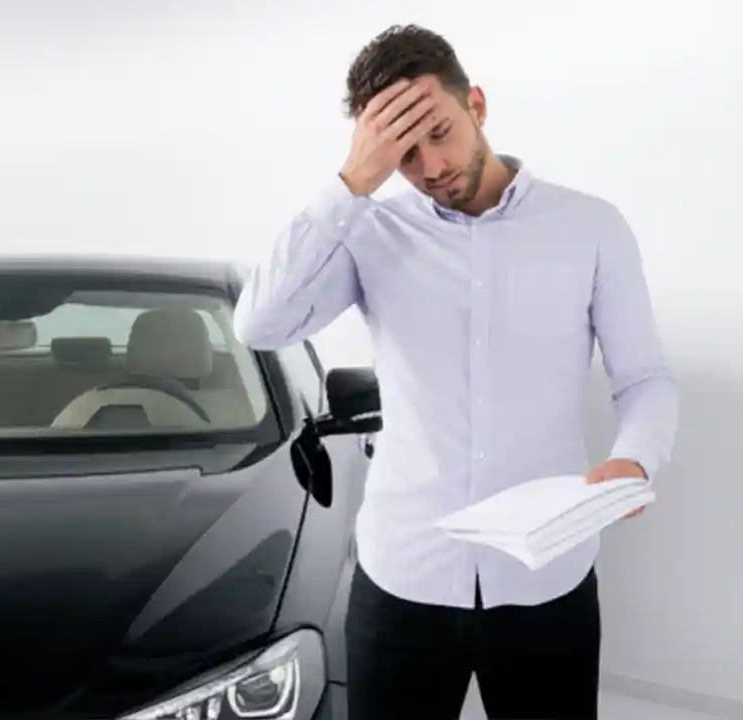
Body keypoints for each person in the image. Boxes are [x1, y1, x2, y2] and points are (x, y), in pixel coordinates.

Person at [233, 24, 678, 720]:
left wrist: (636, 458)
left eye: (439, 132)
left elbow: (645, 376)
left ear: (476, 103)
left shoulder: (590, 226)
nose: (431, 166)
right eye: (403, 154)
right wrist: (351, 184)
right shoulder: (367, 233)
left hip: (545, 580)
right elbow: (259, 325)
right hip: (403, 580)